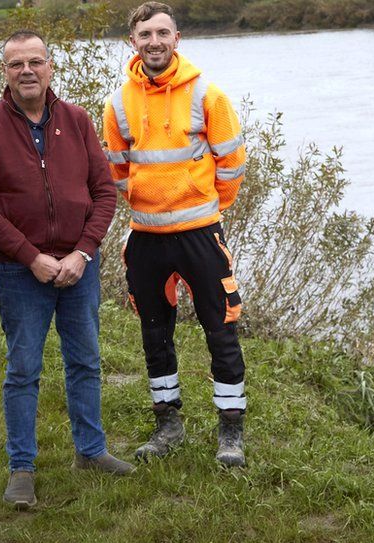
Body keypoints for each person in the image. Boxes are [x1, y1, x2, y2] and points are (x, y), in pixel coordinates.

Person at [0, 29, 133, 510]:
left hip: (80, 267)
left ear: (50, 66)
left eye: (35, 62)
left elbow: (104, 193)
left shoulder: (78, 121)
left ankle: (91, 450)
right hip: (22, 273)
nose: (27, 71)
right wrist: (29, 256)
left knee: (85, 361)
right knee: (23, 370)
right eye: (17, 64)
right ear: (6, 71)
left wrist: (82, 252)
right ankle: (22, 468)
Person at [103, 2, 249, 467]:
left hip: (201, 236)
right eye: (145, 34)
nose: (154, 42)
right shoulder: (118, 102)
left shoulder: (208, 94)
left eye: (162, 33)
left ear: (177, 38)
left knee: (220, 330)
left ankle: (231, 432)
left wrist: (206, 207)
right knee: (154, 333)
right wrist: (148, 203)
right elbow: (118, 172)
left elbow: (233, 164)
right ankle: (168, 424)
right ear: (133, 43)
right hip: (145, 239)